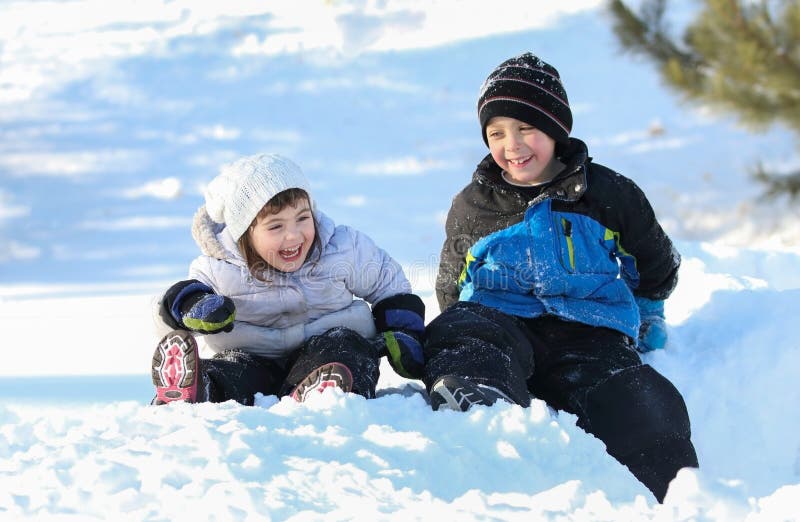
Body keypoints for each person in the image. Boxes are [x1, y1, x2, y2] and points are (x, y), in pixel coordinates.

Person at [427, 52, 698, 502]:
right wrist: (462, 326)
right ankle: (482, 398)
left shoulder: (606, 193)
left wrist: (649, 310)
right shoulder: (474, 206)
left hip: (588, 332)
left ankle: (676, 485)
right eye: (496, 133)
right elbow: (451, 283)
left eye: (526, 128)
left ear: (556, 128)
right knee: (463, 334)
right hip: (502, 323)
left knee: (633, 392)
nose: (511, 145)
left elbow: (654, 257)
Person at [150, 153, 425, 406]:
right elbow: (176, 304)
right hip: (255, 359)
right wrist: (194, 305)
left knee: (347, 346)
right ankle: (200, 389)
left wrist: (402, 330)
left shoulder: (341, 247)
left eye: (302, 218)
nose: (293, 235)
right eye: (276, 226)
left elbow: (387, 283)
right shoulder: (220, 267)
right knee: (232, 369)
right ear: (244, 233)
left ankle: (326, 392)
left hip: (327, 350)